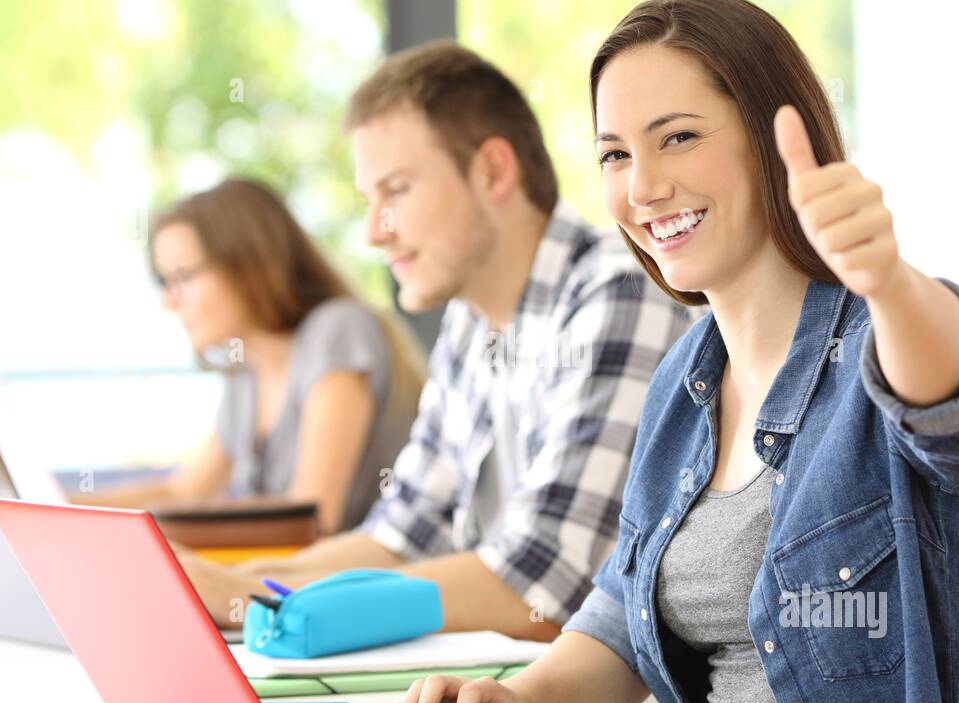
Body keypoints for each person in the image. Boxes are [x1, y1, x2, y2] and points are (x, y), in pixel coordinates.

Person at [372, 0, 959, 703]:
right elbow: (622, 617)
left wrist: (888, 281)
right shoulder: (683, 385)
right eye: (615, 155)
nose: (643, 187)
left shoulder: (884, 344)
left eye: (678, 138)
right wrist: (514, 699)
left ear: (767, 141)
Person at [175, 42, 695, 641]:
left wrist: (254, 598)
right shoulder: (470, 323)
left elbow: (545, 584)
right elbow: (402, 535)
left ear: (493, 171)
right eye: (368, 201)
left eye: (395, 191)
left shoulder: (617, 287)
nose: (374, 231)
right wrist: (238, 583)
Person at [70, 177, 425, 535]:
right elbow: (185, 492)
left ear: (248, 267)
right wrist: (55, 505)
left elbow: (311, 521)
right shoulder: (246, 377)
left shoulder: (336, 333)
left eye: (183, 277)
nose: (169, 301)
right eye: (165, 282)